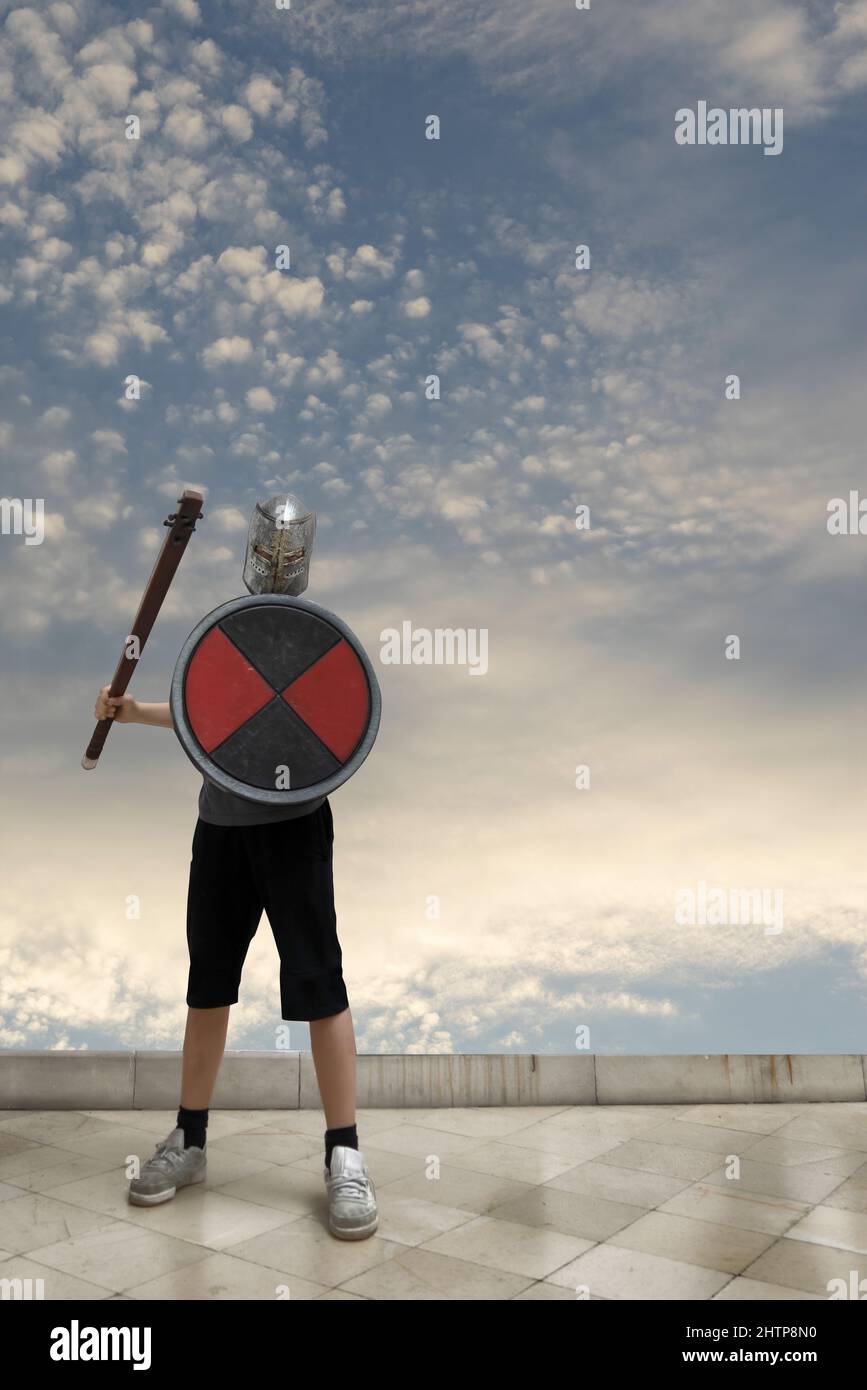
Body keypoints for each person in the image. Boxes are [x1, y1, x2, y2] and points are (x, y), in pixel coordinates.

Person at [93, 493, 377, 1240]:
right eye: (271, 546)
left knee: (320, 985)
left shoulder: (311, 641)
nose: (279, 557)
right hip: (219, 827)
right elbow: (210, 709)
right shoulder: (229, 635)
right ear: (256, 552)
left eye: (291, 548)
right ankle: (188, 1140)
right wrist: (132, 712)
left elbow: (323, 722)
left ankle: (343, 1156)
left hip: (296, 831)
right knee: (208, 985)